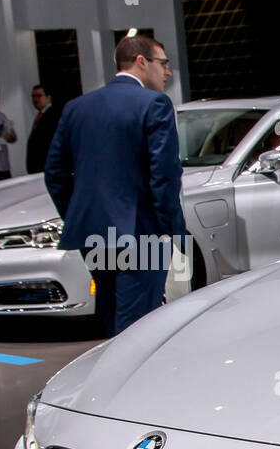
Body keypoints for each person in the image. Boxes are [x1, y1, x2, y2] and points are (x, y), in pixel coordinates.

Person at [44, 35, 187, 336]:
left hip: (94, 233)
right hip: (140, 232)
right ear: (141, 61)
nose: (168, 72)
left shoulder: (77, 107)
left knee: (112, 318)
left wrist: (79, 215)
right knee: (137, 326)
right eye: (163, 63)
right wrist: (169, 229)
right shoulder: (154, 103)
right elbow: (164, 175)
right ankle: (130, 383)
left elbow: (55, 174)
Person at [25, 83, 61, 174]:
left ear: (48, 97)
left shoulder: (53, 115)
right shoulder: (40, 116)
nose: (35, 99)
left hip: (47, 166)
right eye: (33, 96)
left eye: (39, 96)